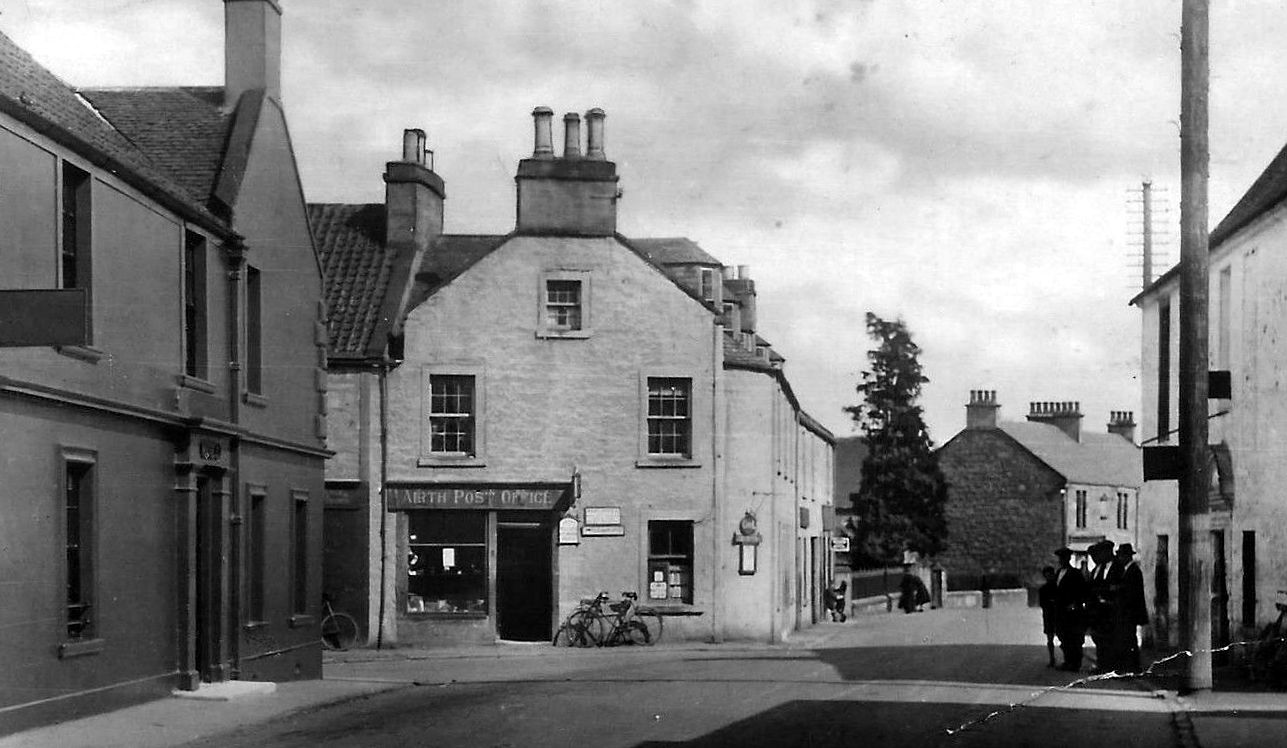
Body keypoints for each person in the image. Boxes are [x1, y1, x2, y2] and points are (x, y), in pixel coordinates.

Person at [1086, 540, 1124, 674]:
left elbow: (1119, 587)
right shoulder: (1101, 567)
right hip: (1099, 610)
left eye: (1102, 552)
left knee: (1110, 639)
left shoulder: (1118, 566)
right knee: (1100, 638)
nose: (1099, 556)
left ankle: (1109, 666)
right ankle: (1102, 664)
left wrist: (1108, 594)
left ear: (1108, 552)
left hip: (1111, 609)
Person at [1053, 547, 1088, 672]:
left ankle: (1075, 663)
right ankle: (1068, 661)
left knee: (1074, 637)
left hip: (1072, 611)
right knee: (1063, 636)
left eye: (1064, 557)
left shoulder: (1076, 573)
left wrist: (1075, 604)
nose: (1061, 560)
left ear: (1068, 558)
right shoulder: (1058, 573)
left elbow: (1081, 591)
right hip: (1061, 611)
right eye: (1060, 558)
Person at [1115, 543, 1149, 673]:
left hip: (1130, 612)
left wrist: (1120, 589)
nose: (1119, 558)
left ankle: (1133, 667)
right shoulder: (1127, 570)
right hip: (1126, 611)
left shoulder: (1134, 571)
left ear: (1127, 556)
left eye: (1121, 555)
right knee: (1126, 639)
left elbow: (1133, 593)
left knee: (1129, 640)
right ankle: (1129, 667)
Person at [1038, 565, 1059, 667]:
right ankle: (1052, 658)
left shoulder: (1058, 587)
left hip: (1058, 614)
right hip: (1049, 615)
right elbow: (1042, 603)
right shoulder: (1043, 589)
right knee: (1050, 639)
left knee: (1063, 637)